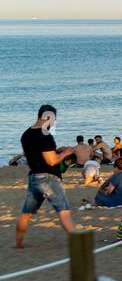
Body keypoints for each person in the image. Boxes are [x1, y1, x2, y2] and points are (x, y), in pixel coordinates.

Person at [16, 105, 78, 248]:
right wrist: (65, 153)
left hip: (34, 178)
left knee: (26, 213)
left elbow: (35, 154)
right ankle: (78, 243)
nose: (53, 124)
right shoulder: (45, 135)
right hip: (49, 179)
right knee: (64, 212)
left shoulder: (26, 134)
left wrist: (56, 150)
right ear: (48, 117)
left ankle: (18, 244)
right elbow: (51, 161)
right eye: (53, 120)